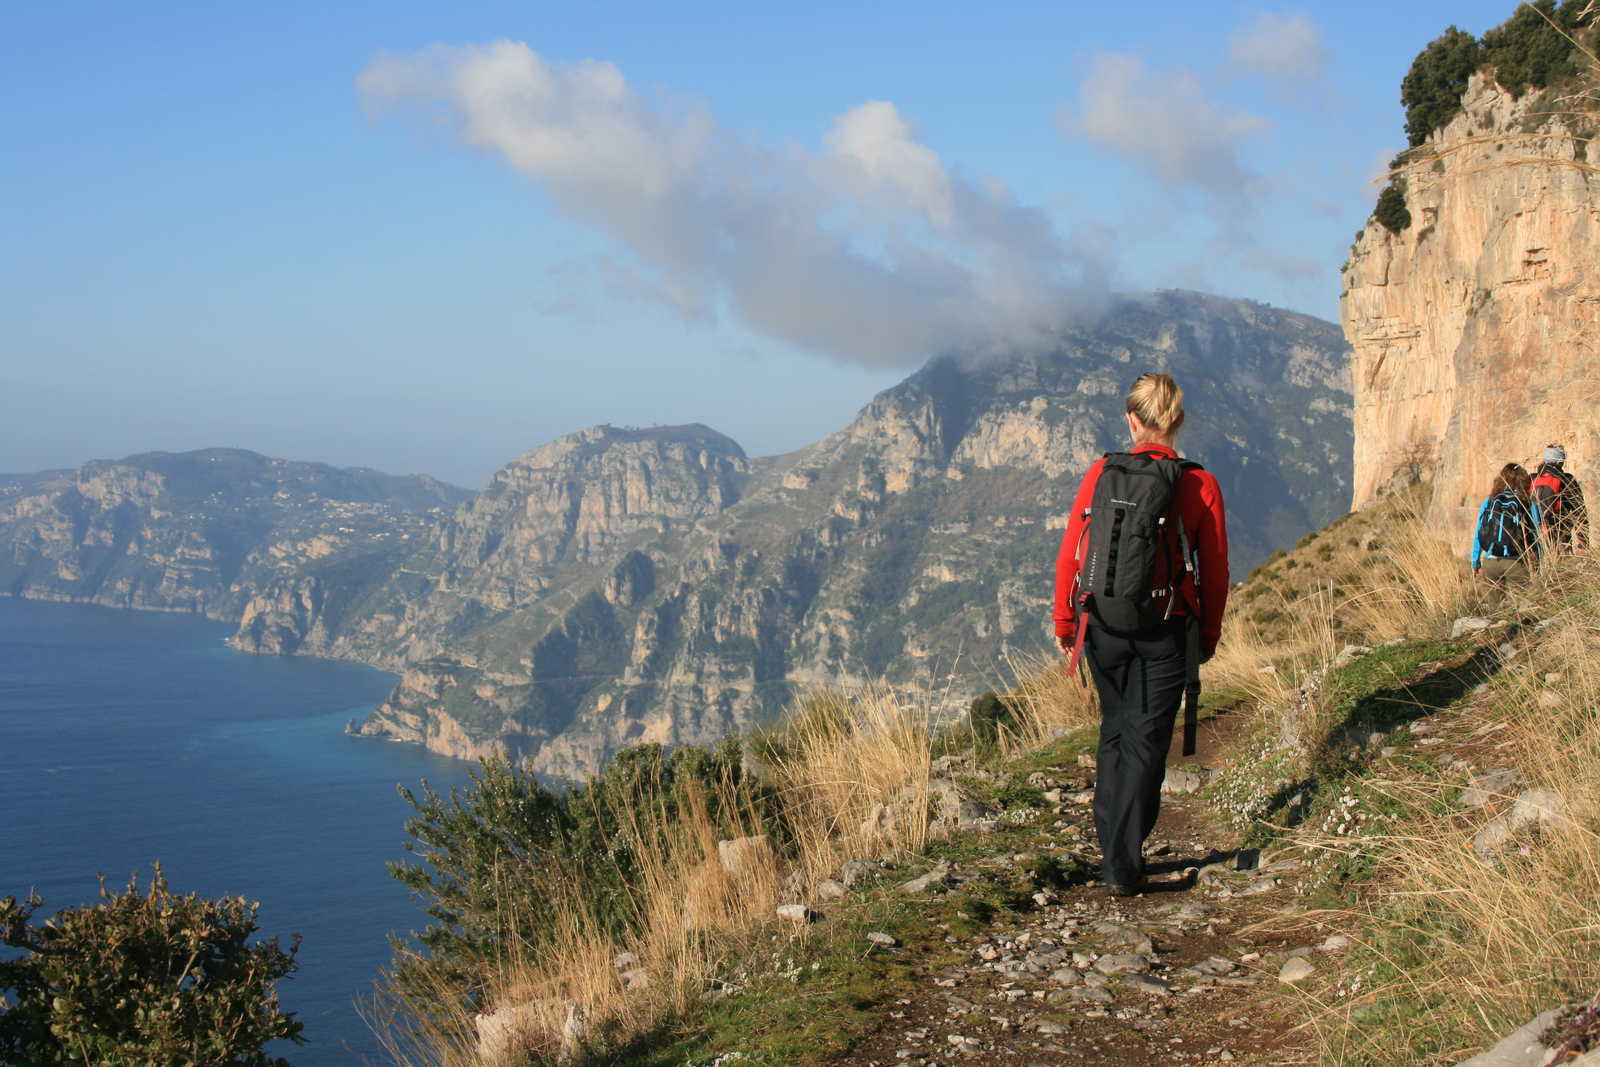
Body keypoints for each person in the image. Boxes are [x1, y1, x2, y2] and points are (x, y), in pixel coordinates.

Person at [1052, 373, 1229, 896]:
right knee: (1146, 743)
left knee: (1115, 729)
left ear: (1131, 420)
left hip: (1101, 624)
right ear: (1177, 420)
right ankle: (1122, 864)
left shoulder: (1100, 473)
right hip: (1166, 628)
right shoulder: (1199, 483)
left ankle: (1113, 846)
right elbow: (1214, 569)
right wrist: (1209, 635)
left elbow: (1072, 552)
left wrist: (1066, 623)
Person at [1470, 462, 1541, 591]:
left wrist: (1475, 562)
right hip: (1516, 562)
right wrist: (1539, 561)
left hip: (1491, 562)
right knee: (1521, 606)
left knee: (1495, 609)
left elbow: (1479, 532)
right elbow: (1536, 533)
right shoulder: (1527, 502)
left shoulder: (1490, 501)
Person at [1531, 445, 1588, 554]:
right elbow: (1579, 512)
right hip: (1561, 537)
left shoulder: (1532, 479)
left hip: (1536, 539)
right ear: (1561, 461)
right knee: (1563, 567)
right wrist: (1583, 543)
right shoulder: (1567, 479)